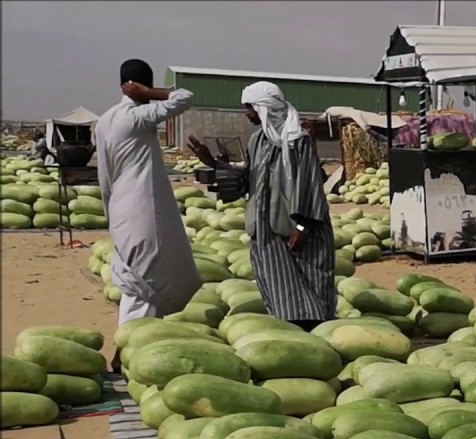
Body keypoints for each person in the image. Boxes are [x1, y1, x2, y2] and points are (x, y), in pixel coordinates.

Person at [187, 81, 336, 331]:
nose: (246, 113)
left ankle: (316, 332)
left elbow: (310, 183)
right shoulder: (257, 141)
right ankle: (291, 330)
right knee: (280, 288)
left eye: (249, 107)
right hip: (266, 231)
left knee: (311, 283)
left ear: (264, 107)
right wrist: (213, 163)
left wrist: (302, 226)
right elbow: (249, 179)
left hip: (297, 229)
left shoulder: (297, 141)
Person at [96, 59, 202, 369]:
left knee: (137, 278)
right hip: (142, 208)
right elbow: (184, 97)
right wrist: (151, 93)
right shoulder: (137, 116)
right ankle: (126, 351)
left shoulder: (105, 119)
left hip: (120, 206)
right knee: (146, 282)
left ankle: (135, 346)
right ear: (140, 85)